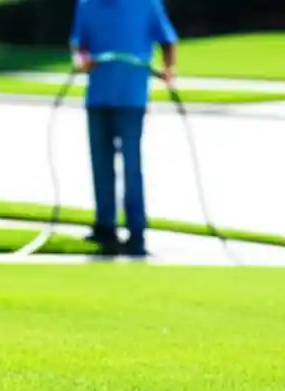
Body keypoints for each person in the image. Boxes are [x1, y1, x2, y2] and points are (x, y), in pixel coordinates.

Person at [70, 0, 179, 257]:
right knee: (101, 163)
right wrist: (82, 60)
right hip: (98, 95)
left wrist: (169, 69)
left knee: (131, 165)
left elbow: (167, 40)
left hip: (131, 95)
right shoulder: (87, 5)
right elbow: (79, 44)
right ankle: (105, 225)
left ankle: (136, 230)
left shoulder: (146, 4)